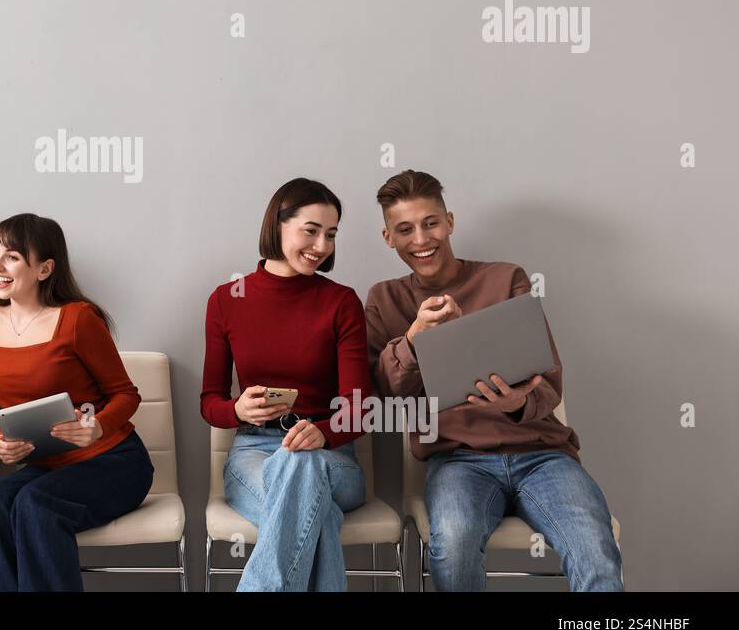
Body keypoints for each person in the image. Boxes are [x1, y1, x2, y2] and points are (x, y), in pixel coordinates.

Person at [364, 169, 622, 591]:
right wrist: (413, 339)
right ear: (388, 237)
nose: (422, 239)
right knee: (455, 543)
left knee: (594, 545)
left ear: (450, 221)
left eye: (430, 223)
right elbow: (386, 398)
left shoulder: (505, 279)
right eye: (405, 229)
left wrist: (515, 405)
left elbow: (549, 381)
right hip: (457, 461)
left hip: (543, 454)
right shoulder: (384, 298)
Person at [202, 177, 373, 591]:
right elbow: (210, 401)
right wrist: (237, 409)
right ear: (277, 225)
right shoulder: (226, 300)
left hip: (333, 455)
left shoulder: (341, 301)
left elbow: (360, 406)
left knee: (300, 462)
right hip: (254, 451)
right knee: (320, 516)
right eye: (311, 231)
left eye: (330, 235)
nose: (322, 246)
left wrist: (323, 431)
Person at [0, 213, 153, 591]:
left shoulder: (78, 319)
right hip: (48, 468)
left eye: (13, 257)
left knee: (35, 506)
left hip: (115, 462)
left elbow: (126, 395)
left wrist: (96, 425)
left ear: (45, 268)